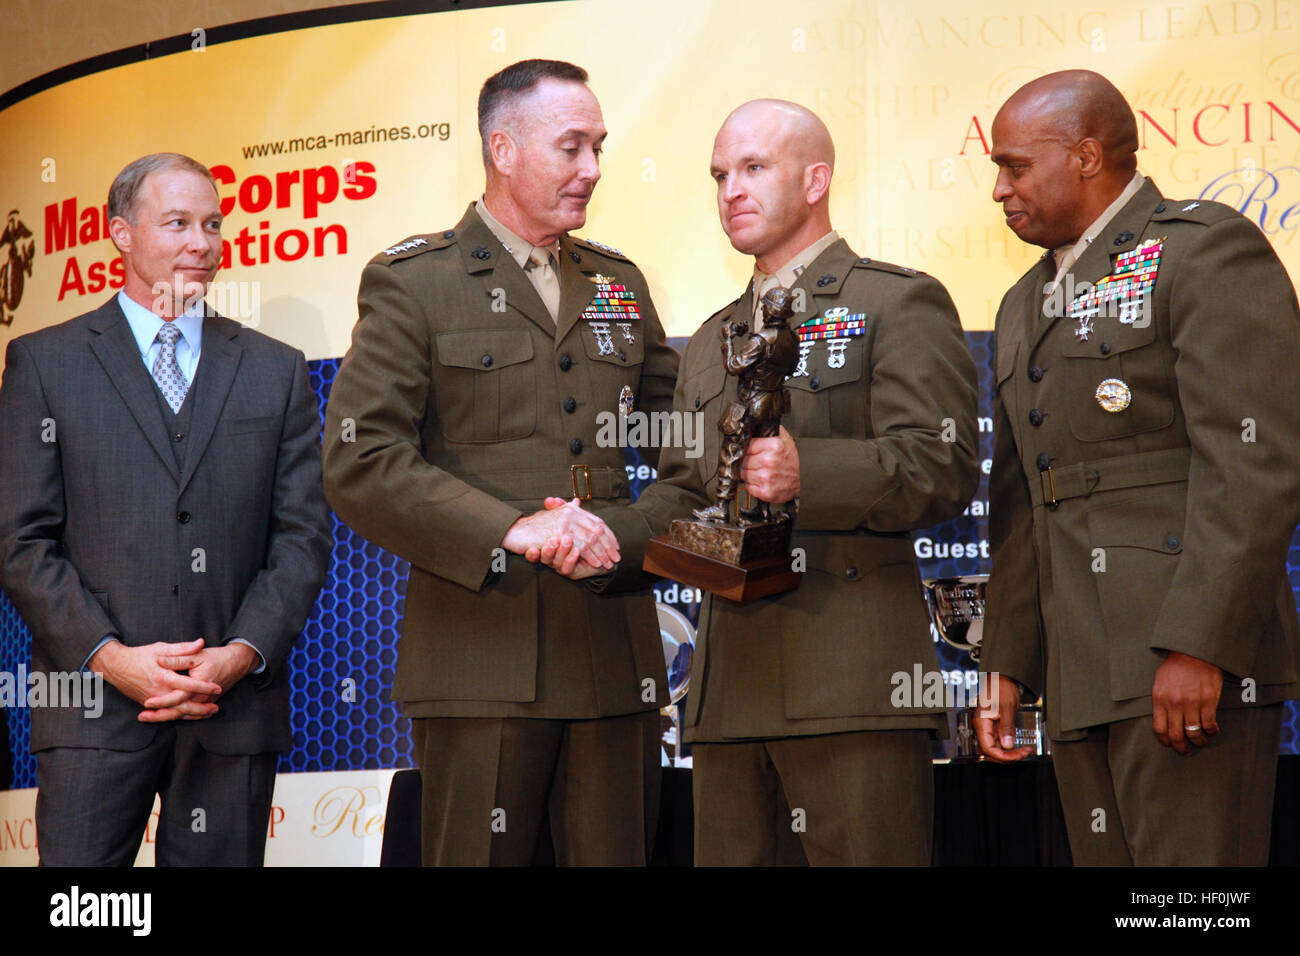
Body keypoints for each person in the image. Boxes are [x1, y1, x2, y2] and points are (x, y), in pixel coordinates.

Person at [540, 99, 979, 865]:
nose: (730, 191)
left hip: (850, 685)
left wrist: (813, 472)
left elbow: (942, 468)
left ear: (816, 180)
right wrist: (611, 540)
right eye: (719, 175)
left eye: (753, 169)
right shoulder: (712, 338)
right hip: (728, 695)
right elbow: (683, 495)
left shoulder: (895, 300)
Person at [321, 59, 679, 866]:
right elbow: (359, 459)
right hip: (481, 657)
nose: (592, 169)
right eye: (572, 147)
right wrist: (510, 528)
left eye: (599, 147)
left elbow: (679, 443)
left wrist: (627, 535)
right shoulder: (416, 282)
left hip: (614, 657)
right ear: (503, 147)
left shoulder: (618, 284)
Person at [975, 70, 1300, 865]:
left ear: (1086, 156)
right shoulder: (1025, 302)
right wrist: (1008, 664)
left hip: (1181, 666)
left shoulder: (1203, 248)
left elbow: (1253, 464)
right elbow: (1027, 505)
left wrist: (1200, 645)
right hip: (1082, 670)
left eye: (1015, 166)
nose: (998, 189)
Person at [0, 152, 331, 866]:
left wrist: (236, 657)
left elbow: (302, 540)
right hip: (92, 710)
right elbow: (21, 542)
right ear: (120, 234)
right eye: (177, 223)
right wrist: (112, 659)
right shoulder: (44, 364)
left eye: (213, 224)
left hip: (230, 711)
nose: (202, 243)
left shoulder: (276, 370)